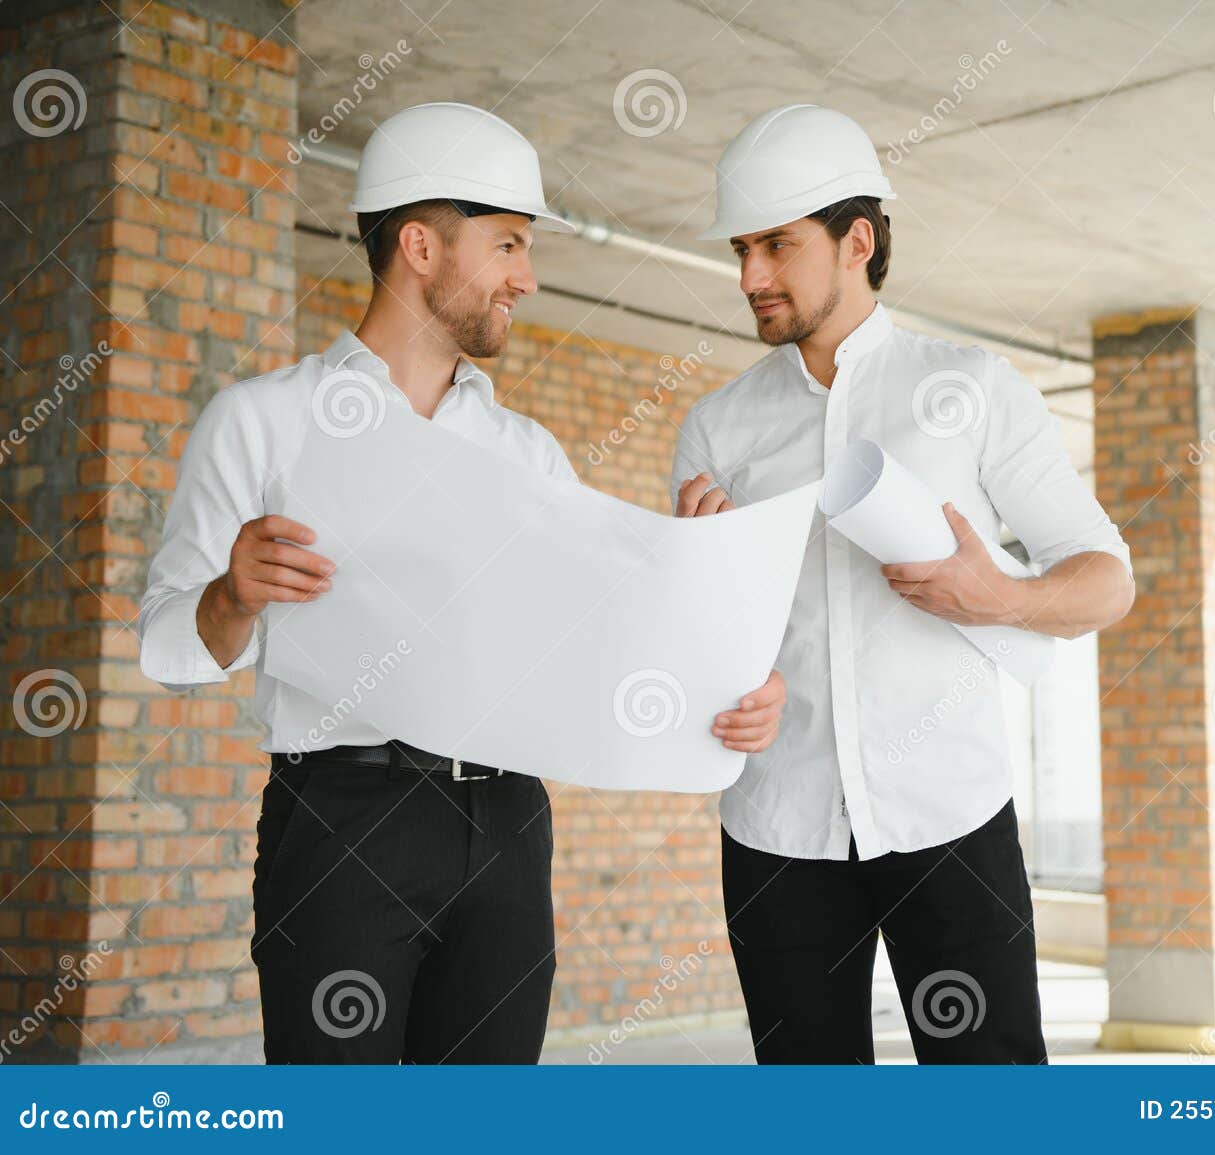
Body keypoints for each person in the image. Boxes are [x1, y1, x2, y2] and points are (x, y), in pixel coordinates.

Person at [137, 102, 786, 1064]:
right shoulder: (260, 422)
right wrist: (232, 593)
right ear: (421, 246)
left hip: (510, 827)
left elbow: (593, 644)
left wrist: (710, 630)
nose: (527, 277)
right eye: (509, 244)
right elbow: (165, 647)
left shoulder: (527, 452)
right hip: (343, 825)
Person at [672, 104, 1134, 1064]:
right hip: (776, 829)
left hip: (950, 816)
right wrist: (703, 629)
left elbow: (1106, 582)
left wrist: (998, 596)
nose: (750, 276)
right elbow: (699, 654)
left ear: (858, 241)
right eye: (740, 249)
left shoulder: (971, 389)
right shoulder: (718, 429)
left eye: (775, 246)